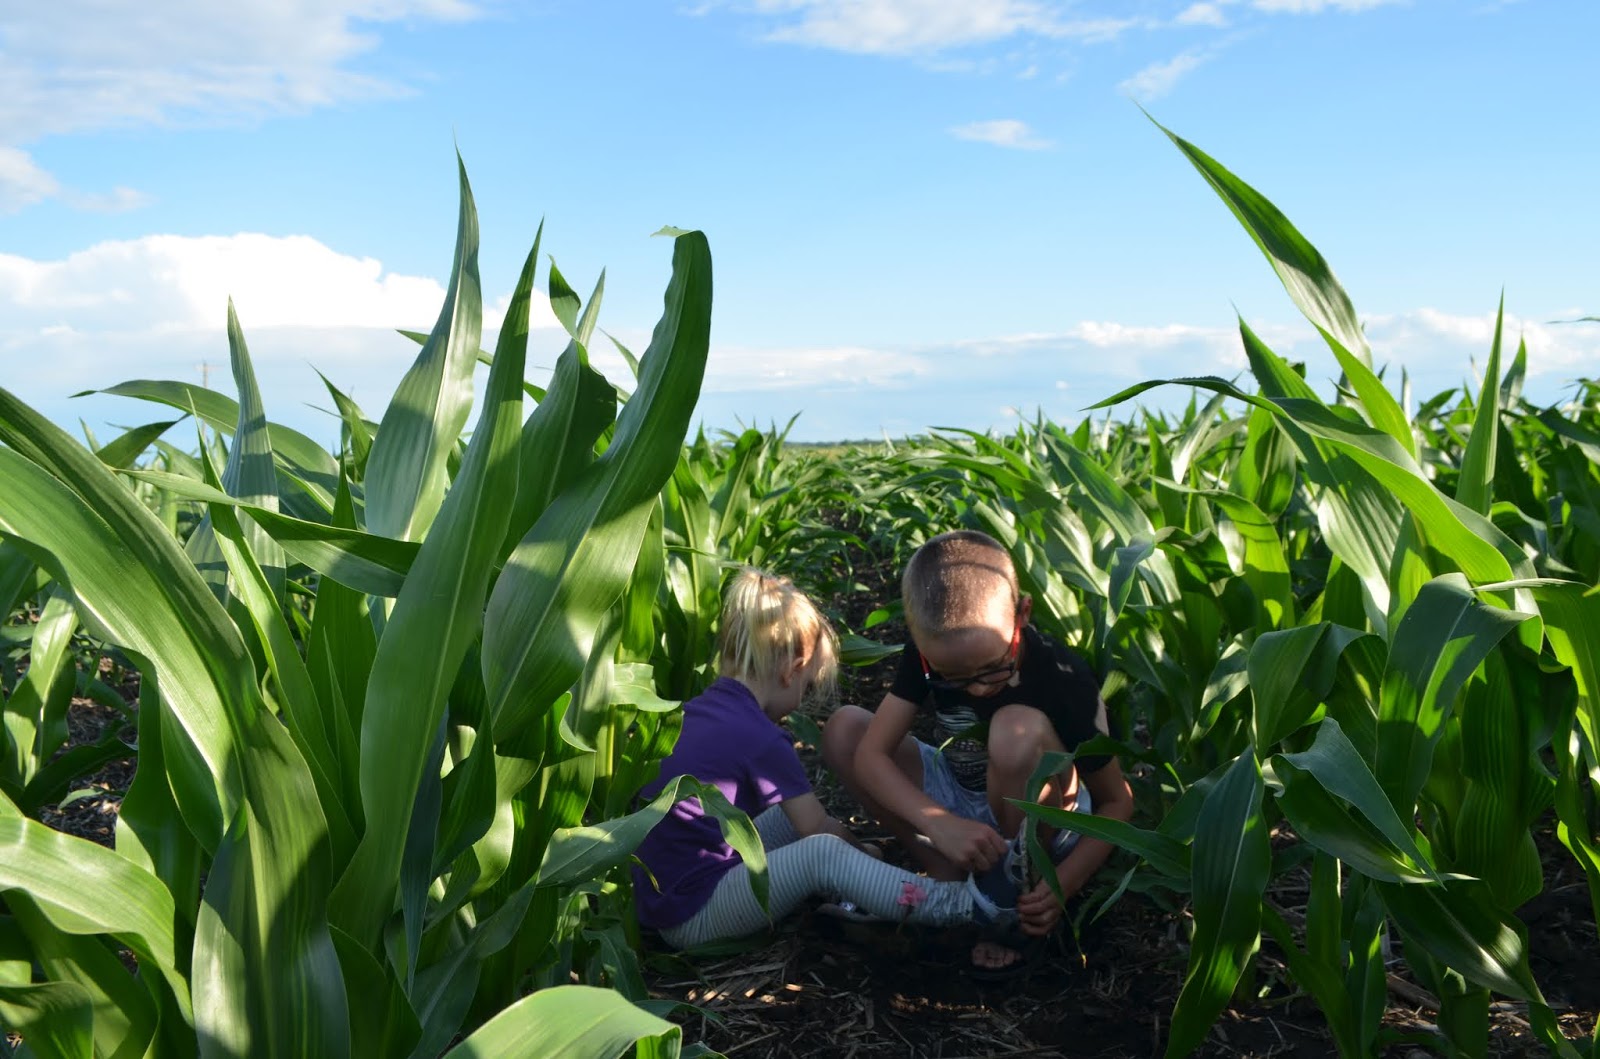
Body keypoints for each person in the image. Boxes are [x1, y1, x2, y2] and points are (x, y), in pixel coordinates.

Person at [633, 567, 1010, 950]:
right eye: (807, 684)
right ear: (791, 670)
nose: (803, 697)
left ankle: (863, 889)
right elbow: (817, 831)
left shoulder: (698, 710)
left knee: (785, 818)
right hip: (692, 915)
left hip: (659, 897)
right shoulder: (760, 736)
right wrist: (861, 853)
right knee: (822, 854)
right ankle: (965, 906)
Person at [822, 530, 1135, 974]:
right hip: (964, 791)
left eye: (993, 669)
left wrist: (1065, 882)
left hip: (1039, 820)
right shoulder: (926, 654)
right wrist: (940, 825)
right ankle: (948, 876)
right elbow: (870, 755)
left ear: (1022, 614)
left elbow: (1117, 801)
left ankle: (1010, 899)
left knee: (1013, 731)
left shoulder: (1062, 679)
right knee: (845, 730)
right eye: (952, 677)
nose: (978, 687)